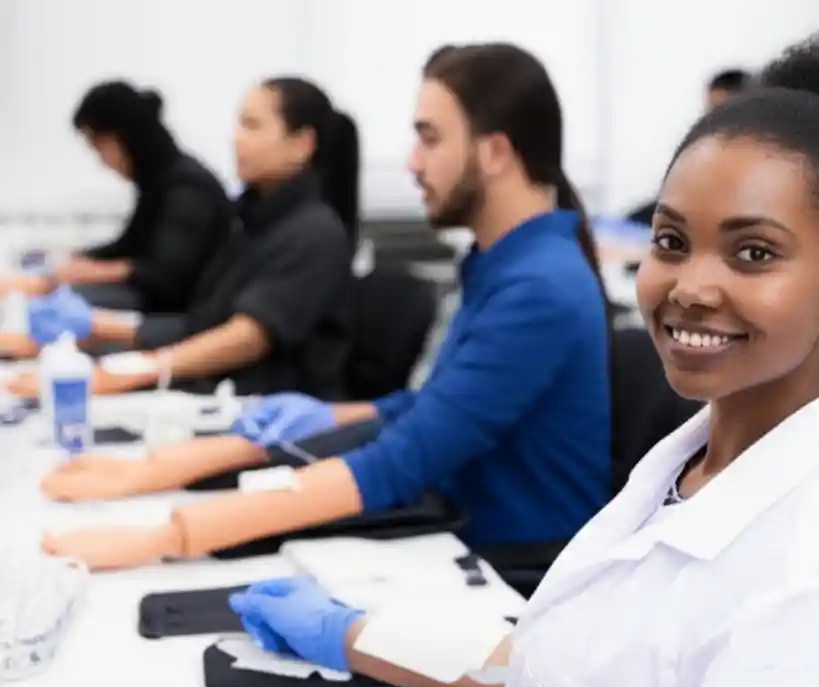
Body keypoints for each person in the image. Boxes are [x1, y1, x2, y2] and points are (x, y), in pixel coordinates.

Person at [222, 31, 819, 687]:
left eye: (754, 253)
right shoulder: (692, 466)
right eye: (672, 241)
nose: (692, 287)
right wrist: (353, 638)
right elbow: (558, 674)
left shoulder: (816, 571)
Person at [41, 44, 612, 572]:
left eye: (430, 139)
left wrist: (165, 537)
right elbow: (428, 409)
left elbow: (404, 458)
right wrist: (169, 467)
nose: (413, 163)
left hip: (504, 568)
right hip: (453, 532)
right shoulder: (508, 264)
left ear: (494, 152)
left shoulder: (540, 287)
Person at [5, 77, 358, 399]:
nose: (236, 138)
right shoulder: (252, 221)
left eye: (252, 125)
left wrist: (129, 372)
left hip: (263, 408)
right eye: (239, 124)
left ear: (302, 144)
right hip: (216, 386)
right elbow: (201, 321)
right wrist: (95, 330)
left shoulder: (315, 233)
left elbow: (245, 339)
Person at [0, 82, 232, 312]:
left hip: (180, 309)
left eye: (98, 148)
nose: (101, 161)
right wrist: (81, 258)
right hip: (156, 299)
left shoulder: (188, 188)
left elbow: (165, 276)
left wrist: (89, 272)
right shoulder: (159, 180)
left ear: (122, 138)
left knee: (55, 303)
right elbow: (129, 245)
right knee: (49, 292)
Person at [626, 68, 753, 226]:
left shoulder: (754, 153)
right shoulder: (704, 144)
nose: (713, 116)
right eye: (710, 108)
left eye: (721, 109)